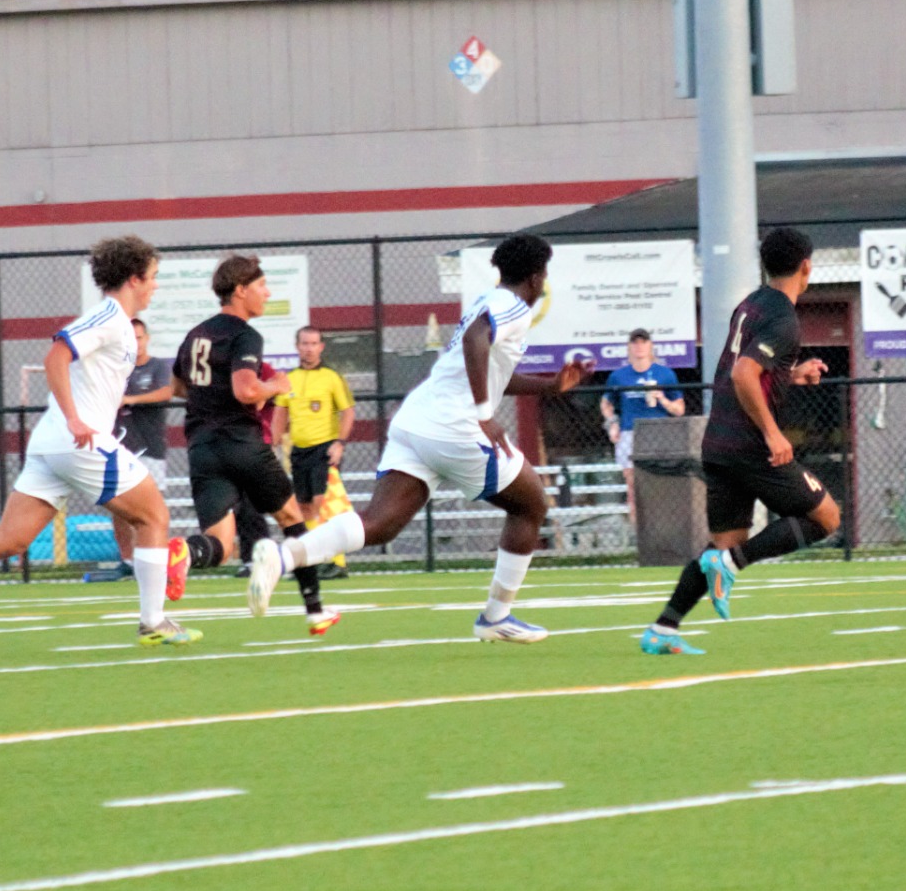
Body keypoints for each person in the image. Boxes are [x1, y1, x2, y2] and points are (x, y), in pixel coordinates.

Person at [250, 234, 590, 641]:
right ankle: (495, 617)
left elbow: (488, 369)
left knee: (380, 523)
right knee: (531, 504)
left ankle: (283, 556)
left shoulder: (489, 300)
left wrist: (549, 386)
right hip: (455, 428)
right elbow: (475, 341)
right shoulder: (513, 307)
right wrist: (485, 416)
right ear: (536, 278)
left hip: (416, 420)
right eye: (544, 274)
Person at [0, 237, 197, 645]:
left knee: (12, 538)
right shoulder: (109, 317)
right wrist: (74, 418)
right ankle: (153, 622)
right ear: (133, 279)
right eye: (153, 277)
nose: (155, 286)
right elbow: (57, 355)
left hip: (54, 444)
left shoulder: (121, 326)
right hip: (80, 441)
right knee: (154, 516)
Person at [640, 227, 835, 656]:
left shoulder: (750, 304)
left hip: (720, 442)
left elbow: (751, 370)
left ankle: (663, 628)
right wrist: (772, 433)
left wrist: (791, 374)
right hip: (751, 448)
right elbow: (743, 373)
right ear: (806, 267)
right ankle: (729, 565)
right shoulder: (784, 319)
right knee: (825, 517)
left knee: (725, 541)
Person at [169, 255, 339, 635]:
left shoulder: (195, 334)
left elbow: (178, 386)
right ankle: (315, 610)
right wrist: (276, 385)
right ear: (241, 290)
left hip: (202, 448)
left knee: (220, 546)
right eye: (262, 285)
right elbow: (246, 391)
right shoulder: (245, 334)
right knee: (292, 519)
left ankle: (187, 551)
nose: (268, 292)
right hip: (242, 444)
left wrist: (214, 397)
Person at [87, 319, 173, 583]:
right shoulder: (116, 369)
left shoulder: (158, 367)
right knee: (118, 508)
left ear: (147, 338)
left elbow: (166, 392)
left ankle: (158, 563)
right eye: (131, 338)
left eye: (139, 337)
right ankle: (127, 561)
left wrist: (131, 399)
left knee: (153, 510)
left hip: (150, 449)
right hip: (119, 448)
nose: (136, 343)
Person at [272, 325, 356, 578]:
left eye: (313, 344)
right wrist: (273, 443)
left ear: (321, 347)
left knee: (323, 503)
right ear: (297, 347)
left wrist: (339, 443)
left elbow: (348, 411)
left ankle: (337, 562)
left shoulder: (332, 377)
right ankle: (314, 559)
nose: (309, 349)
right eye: (304, 344)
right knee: (304, 508)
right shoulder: (290, 379)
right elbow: (280, 413)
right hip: (299, 451)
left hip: (324, 449)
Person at [600, 327, 684, 516]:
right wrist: (612, 423)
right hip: (630, 431)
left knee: (661, 483)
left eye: (643, 342)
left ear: (650, 345)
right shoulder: (618, 376)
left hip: (659, 431)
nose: (639, 346)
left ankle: (662, 524)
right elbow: (606, 403)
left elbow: (680, 409)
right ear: (629, 347)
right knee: (633, 486)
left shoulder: (665, 374)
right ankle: (638, 528)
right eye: (635, 342)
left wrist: (662, 399)